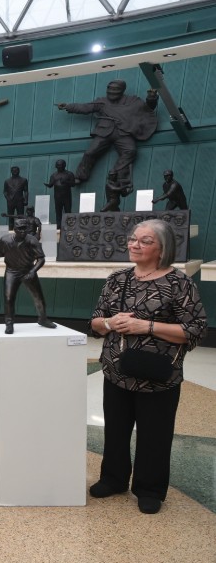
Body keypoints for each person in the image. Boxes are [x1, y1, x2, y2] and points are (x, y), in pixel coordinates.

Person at [89, 219, 206, 514]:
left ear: (162, 248)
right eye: (132, 239)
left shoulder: (179, 283)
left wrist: (147, 326)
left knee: (155, 433)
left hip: (158, 375)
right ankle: (113, 479)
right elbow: (95, 322)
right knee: (115, 430)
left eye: (144, 241)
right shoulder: (117, 279)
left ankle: (150, 488)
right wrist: (108, 323)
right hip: (117, 371)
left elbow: (195, 330)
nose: (134, 245)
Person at [56, 80, 159, 191]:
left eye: (115, 90)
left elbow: (147, 108)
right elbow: (86, 107)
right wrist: (68, 106)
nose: (111, 92)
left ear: (122, 90)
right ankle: (80, 176)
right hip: (104, 132)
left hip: (123, 132)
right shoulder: (102, 102)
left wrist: (151, 97)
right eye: (109, 89)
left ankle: (116, 176)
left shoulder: (132, 101)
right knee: (90, 152)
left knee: (130, 151)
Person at [0, 217, 56, 334]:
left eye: (25, 228)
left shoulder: (32, 240)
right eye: (20, 229)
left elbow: (41, 259)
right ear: (14, 229)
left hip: (28, 270)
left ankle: (43, 319)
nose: (23, 231)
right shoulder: (5, 240)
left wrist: (33, 271)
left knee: (38, 296)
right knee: (9, 298)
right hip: (11, 272)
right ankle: (9, 324)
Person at [44, 159, 80, 225]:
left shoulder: (69, 174)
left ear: (64, 165)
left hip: (66, 196)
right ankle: (59, 226)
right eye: (58, 165)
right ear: (56, 166)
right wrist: (48, 185)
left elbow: (73, 184)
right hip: (57, 196)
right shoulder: (53, 175)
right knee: (58, 212)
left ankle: (69, 225)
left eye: (61, 165)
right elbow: (51, 184)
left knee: (68, 212)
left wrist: (66, 182)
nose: (59, 167)